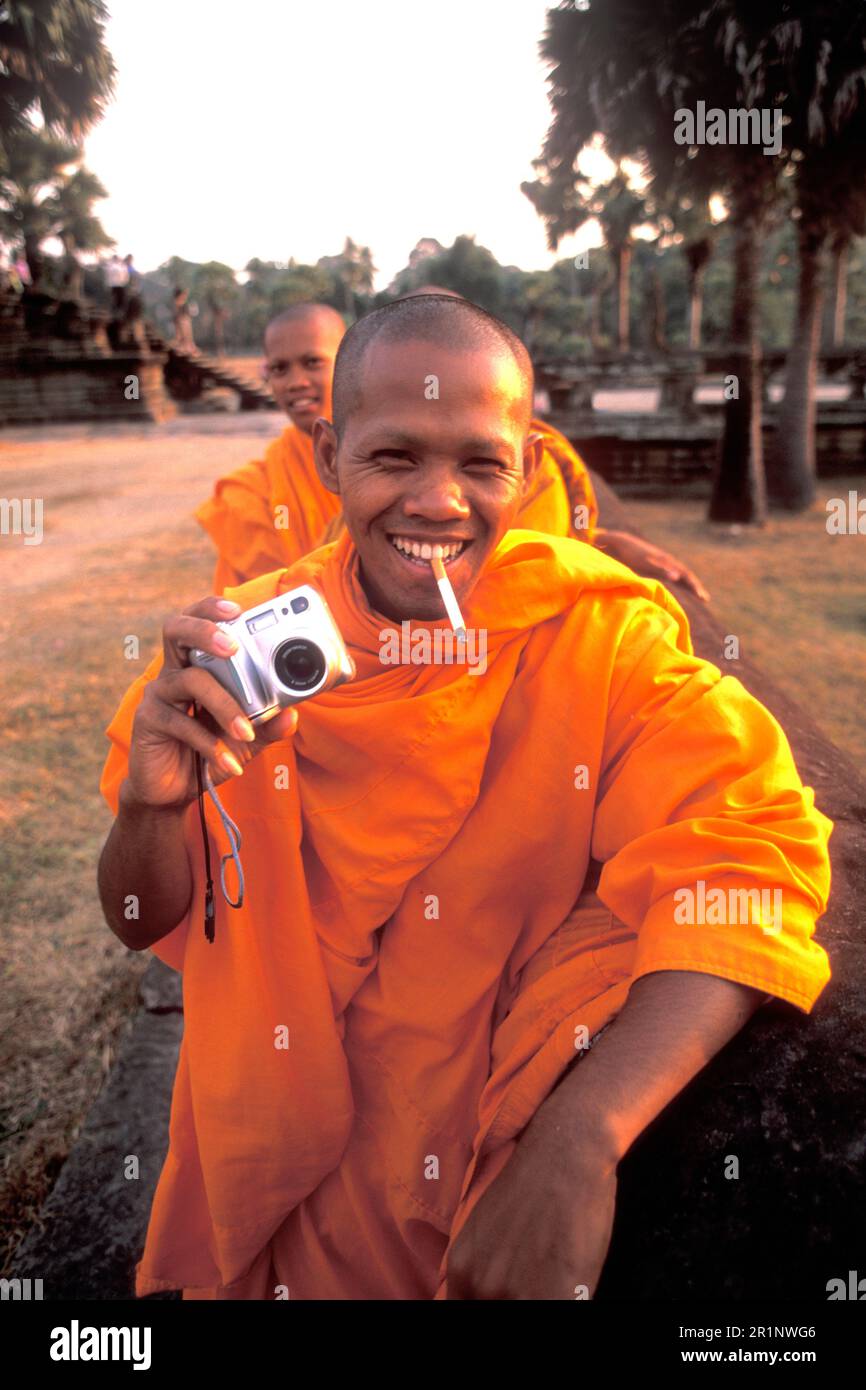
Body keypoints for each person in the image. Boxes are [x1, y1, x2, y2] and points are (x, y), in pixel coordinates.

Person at [97, 294, 831, 1301]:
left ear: (523, 468)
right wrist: (147, 808)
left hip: (469, 1162)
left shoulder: (596, 637)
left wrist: (580, 1137)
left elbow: (751, 857)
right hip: (266, 1162)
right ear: (328, 460)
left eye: (478, 464)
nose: (437, 502)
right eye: (394, 457)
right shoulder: (241, 647)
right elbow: (141, 918)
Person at [195, 294, 709, 599]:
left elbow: (527, 569)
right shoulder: (255, 490)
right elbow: (261, 609)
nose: (295, 382)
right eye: (279, 368)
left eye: (312, 362)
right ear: (329, 458)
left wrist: (602, 545)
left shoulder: (613, 636)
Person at [172, 287, 197, 353]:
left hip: (184, 322)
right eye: (183, 295)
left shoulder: (182, 307)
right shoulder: (179, 305)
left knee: (187, 340)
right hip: (182, 324)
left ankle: (188, 346)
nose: (185, 297)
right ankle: (186, 346)